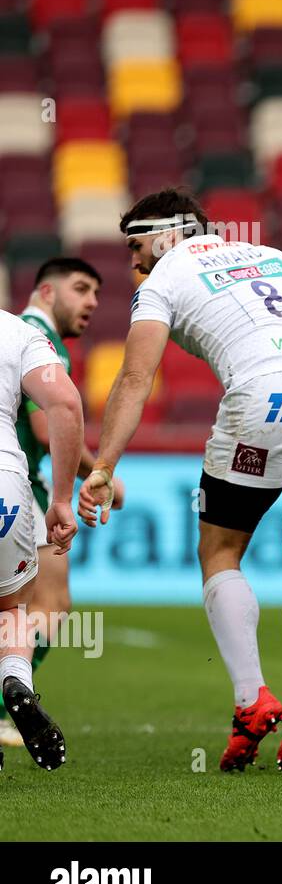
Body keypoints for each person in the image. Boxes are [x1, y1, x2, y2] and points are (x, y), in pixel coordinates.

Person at [77, 187, 282, 774]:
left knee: (221, 552)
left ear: (171, 234)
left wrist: (103, 465)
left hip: (265, 398)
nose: (132, 262)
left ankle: (252, 701)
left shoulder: (163, 281)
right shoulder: (277, 257)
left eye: (137, 245)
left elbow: (134, 377)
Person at [1, 259, 124, 750]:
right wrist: (97, 473)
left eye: (96, 291)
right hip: (18, 490)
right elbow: (49, 425)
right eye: (81, 289)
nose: (92, 301)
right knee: (38, 607)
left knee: (45, 605)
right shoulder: (31, 337)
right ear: (46, 293)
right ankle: (12, 692)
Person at [0, 307, 83, 770]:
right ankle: (16, 680)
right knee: (13, 608)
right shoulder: (19, 332)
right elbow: (65, 405)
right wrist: (63, 499)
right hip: (7, 480)